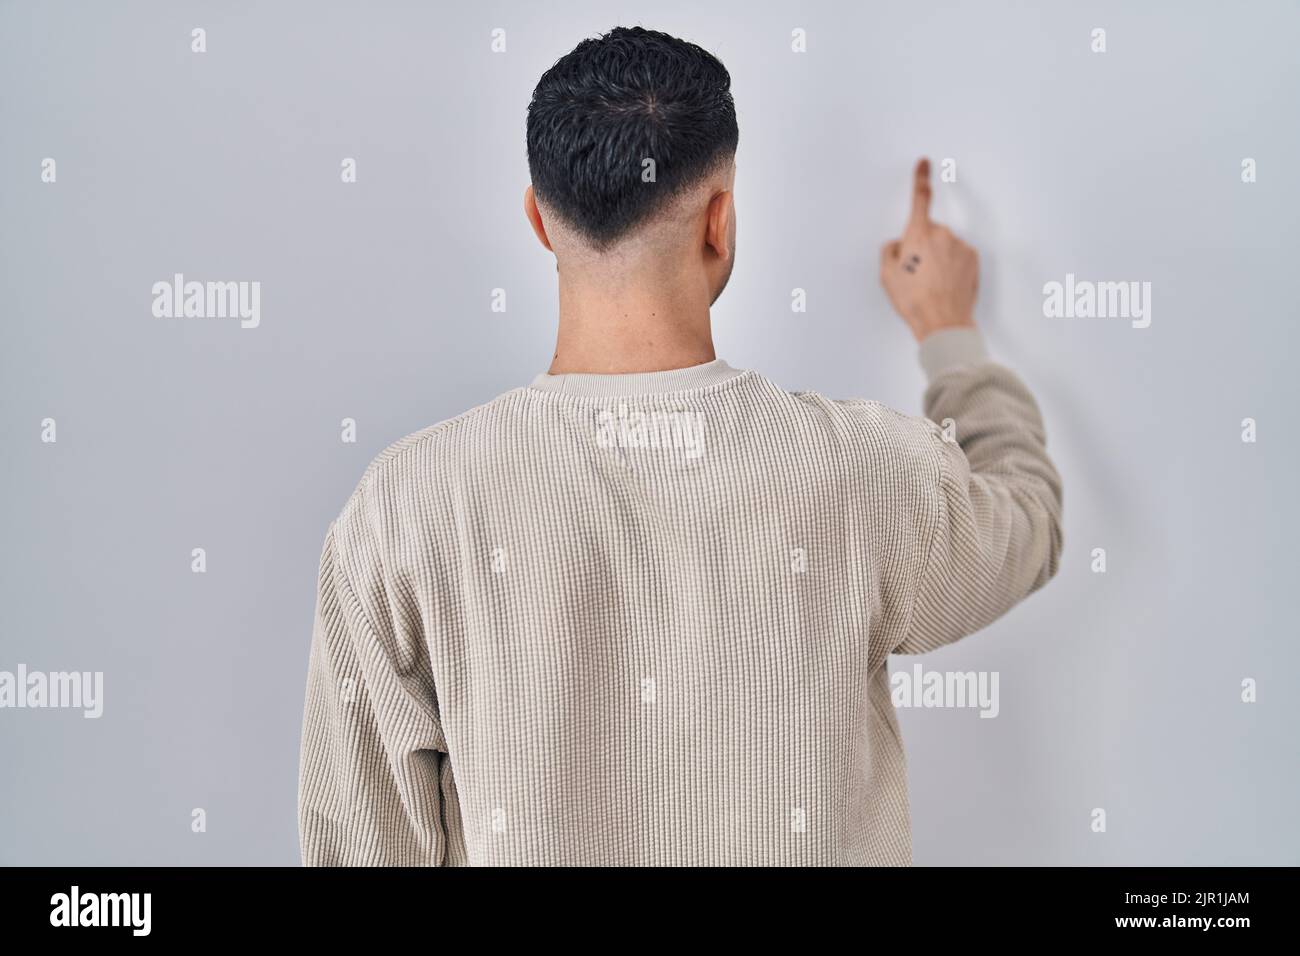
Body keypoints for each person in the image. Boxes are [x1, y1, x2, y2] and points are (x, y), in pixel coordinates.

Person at [298, 26, 1063, 866]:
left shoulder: (402, 509)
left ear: (539, 222)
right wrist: (948, 334)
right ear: (719, 220)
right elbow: (1027, 516)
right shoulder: (860, 473)